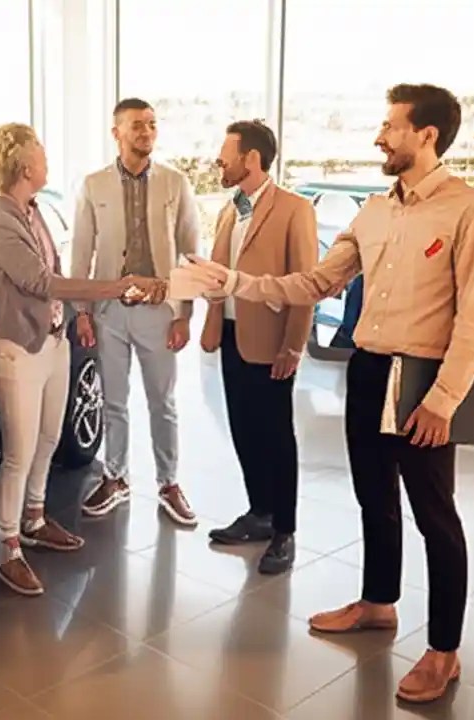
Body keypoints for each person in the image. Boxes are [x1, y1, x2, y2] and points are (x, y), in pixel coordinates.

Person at [186, 84, 474, 703]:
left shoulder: (469, 209)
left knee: (436, 515)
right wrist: (236, 282)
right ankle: (379, 603)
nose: (379, 137)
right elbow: (317, 282)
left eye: (390, 126)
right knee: (373, 498)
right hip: (368, 367)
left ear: (426, 135)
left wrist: (443, 400)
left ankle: (443, 650)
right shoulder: (374, 211)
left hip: (425, 379)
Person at [0, 122, 212, 597]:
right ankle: (8, 548)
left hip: (53, 341)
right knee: (18, 454)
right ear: (25, 166)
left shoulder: (31, 209)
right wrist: (114, 288)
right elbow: (42, 281)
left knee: (48, 438)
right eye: (41, 152)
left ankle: (36, 520)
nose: (47, 158)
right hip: (19, 348)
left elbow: (61, 268)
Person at [70, 98, 201, 526]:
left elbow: (190, 251)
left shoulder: (175, 183)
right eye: (137, 126)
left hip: (160, 310)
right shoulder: (93, 185)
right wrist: (83, 312)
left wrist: (183, 313)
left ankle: (169, 483)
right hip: (109, 309)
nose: (146, 132)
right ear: (117, 133)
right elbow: (82, 252)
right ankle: (116, 477)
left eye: (152, 125)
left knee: (163, 402)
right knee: (114, 401)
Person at [199, 119, 317, 575]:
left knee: (276, 436)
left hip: (271, 344)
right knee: (243, 429)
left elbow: (304, 285)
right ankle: (259, 513)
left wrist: (293, 345)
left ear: (251, 158)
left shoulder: (293, 209)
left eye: (225, 152)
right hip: (232, 337)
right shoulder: (230, 209)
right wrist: (212, 322)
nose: (218, 160)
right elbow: (220, 272)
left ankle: (284, 529)